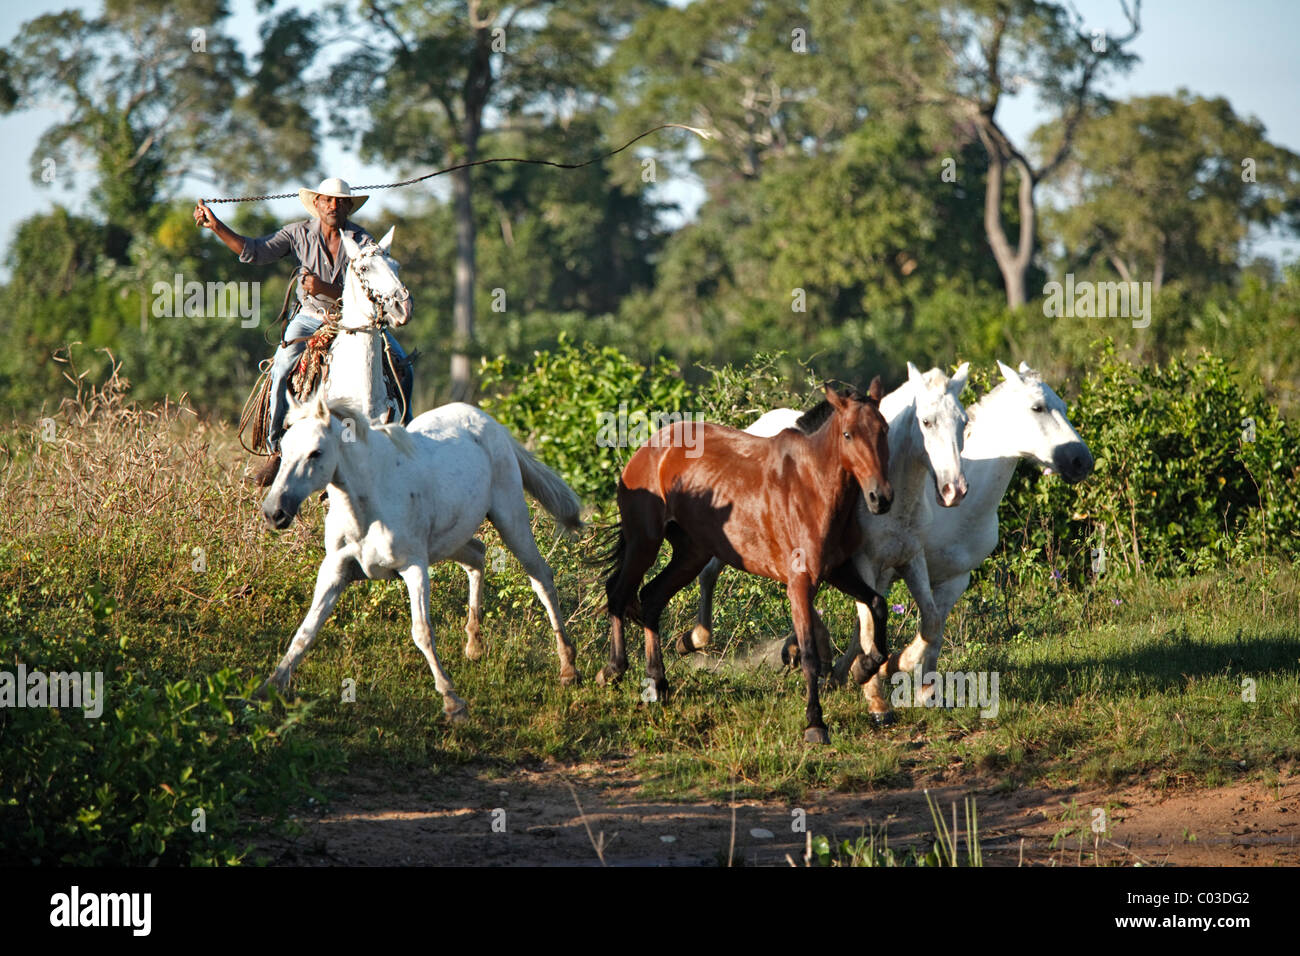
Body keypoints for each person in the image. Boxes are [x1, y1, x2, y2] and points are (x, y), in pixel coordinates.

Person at [193, 177, 414, 486]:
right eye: (327, 200)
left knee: (402, 364)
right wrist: (216, 227)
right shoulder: (297, 234)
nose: (333, 206)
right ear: (317, 204)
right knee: (282, 365)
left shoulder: (363, 241)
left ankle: (406, 439)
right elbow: (255, 251)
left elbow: (369, 286)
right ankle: (276, 449)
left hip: (351, 319)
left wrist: (323, 287)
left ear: (349, 206)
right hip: (309, 317)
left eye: (340, 201)